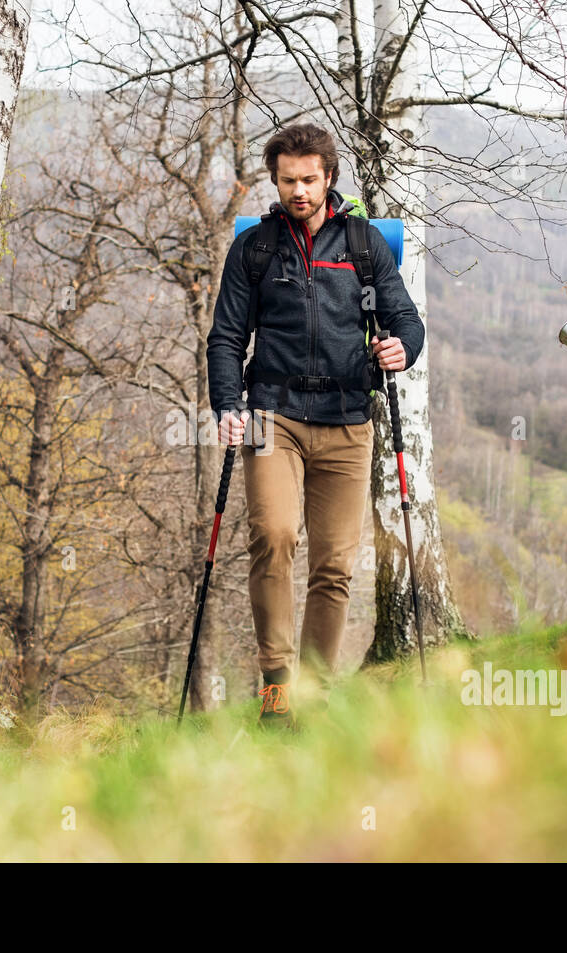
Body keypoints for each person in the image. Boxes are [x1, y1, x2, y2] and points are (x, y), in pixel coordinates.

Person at [206, 123, 425, 723]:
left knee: (334, 564)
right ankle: (277, 684)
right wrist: (227, 405)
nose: (298, 190)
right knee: (274, 537)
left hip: (349, 417)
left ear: (329, 177)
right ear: (274, 181)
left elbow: (407, 319)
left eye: (308, 179)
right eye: (287, 180)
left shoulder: (362, 243)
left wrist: (402, 349)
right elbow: (226, 337)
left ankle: (317, 693)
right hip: (271, 414)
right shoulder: (254, 247)